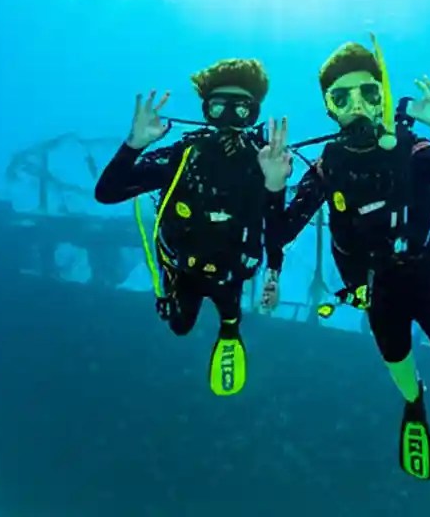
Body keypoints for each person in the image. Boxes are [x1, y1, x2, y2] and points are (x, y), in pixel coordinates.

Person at [258, 38, 430, 502]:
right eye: (342, 97)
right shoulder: (327, 167)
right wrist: (275, 185)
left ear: (382, 94)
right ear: (328, 108)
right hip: (374, 289)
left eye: (367, 93)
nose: (356, 105)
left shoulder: (411, 148)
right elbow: (278, 234)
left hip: (425, 278)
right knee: (396, 361)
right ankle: (415, 403)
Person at [94, 58, 287, 397]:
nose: (228, 118)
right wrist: (134, 144)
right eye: (218, 107)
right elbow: (107, 192)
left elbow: (274, 225)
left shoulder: (262, 163)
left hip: (231, 271)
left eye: (240, 110)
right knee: (180, 327)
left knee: (230, 314)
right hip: (182, 268)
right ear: (206, 111)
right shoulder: (183, 157)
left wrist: (274, 187)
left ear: (253, 113)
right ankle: (219, 321)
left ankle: (230, 329)